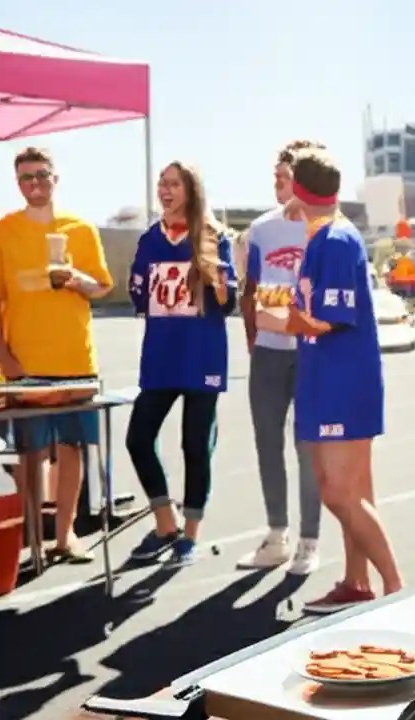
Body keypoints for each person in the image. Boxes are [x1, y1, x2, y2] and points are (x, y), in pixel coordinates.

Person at [280, 147, 404, 613]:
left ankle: (396, 587)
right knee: (353, 490)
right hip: (327, 378)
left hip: (342, 380)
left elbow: (327, 318)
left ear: (299, 188)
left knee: (338, 491)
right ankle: (358, 581)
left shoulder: (334, 240)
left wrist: (276, 318)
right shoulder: (322, 237)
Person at [0, 147, 114, 564]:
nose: (34, 184)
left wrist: (78, 280)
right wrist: (4, 354)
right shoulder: (0, 232)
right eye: (25, 178)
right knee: (30, 452)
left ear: (56, 178)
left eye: (41, 175)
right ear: (17, 183)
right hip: (26, 362)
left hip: (75, 358)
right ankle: (29, 531)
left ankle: (65, 533)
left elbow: (102, 286)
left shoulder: (81, 229)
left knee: (72, 448)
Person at [125, 162, 236, 566]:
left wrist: (217, 282)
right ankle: (164, 521)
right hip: (160, 358)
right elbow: (138, 297)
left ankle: (190, 533)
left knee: (195, 445)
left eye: (174, 183)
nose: (165, 190)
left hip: (201, 357)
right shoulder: (149, 240)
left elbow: (229, 303)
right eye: (162, 183)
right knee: (138, 438)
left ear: (191, 189)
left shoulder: (213, 237)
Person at [236, 140, 325, 575]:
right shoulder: (261, 229)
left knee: (308, 448)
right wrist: (254, 338)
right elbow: (251, 289)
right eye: (274, 175)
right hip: (268, 356)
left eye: (283, 175)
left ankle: (310, 542)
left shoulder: (325, 226)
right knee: (267, 444)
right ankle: (277, 536)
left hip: (311, 354)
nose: (276, 182)